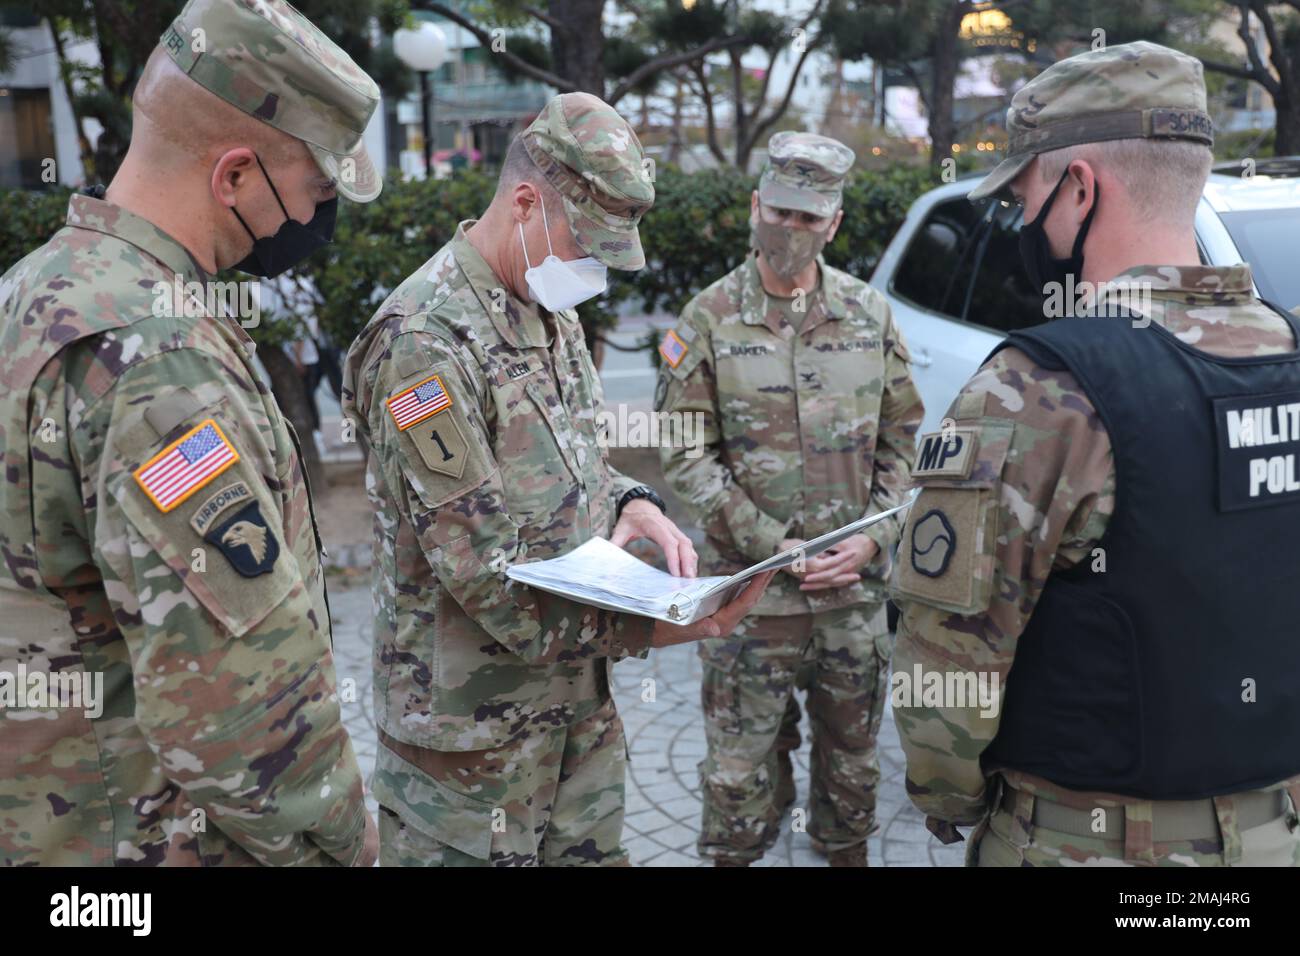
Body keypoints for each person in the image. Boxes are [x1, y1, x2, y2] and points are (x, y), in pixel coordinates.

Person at [890, 40, 1300, 866]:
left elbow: (948, 660)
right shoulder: (1289, 352)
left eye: (1026, 196)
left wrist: (951, 799)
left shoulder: (1039, 387)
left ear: (1079, 187)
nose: (1018, 223)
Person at [343, 92, 771, 867]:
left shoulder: (548, 308)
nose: (594, 268)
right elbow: (488, 581)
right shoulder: (424, 346)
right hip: (470, 751)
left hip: (576, 711)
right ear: (526, 202)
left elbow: (571, 459)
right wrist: (674, 623)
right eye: (587, 241)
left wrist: (630, 502)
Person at [0, 0, 382, 866]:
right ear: (236, 177)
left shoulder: (36, 285)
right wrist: (348, 843)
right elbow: (241, 713)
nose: (316, 221)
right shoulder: (158, 358)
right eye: (316, 191)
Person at [656, 132, 924, 866]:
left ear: (833, 224)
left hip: (853, 600)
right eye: (780, 211)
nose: (791, 230)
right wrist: (768, 539)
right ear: (755, 208)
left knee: (854, 769)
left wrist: (875, 539)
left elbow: (905, 440)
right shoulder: (706, 320)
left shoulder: (871, 316)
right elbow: (684, 452)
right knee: (739, 778)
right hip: (752, 602)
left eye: (809, 218)